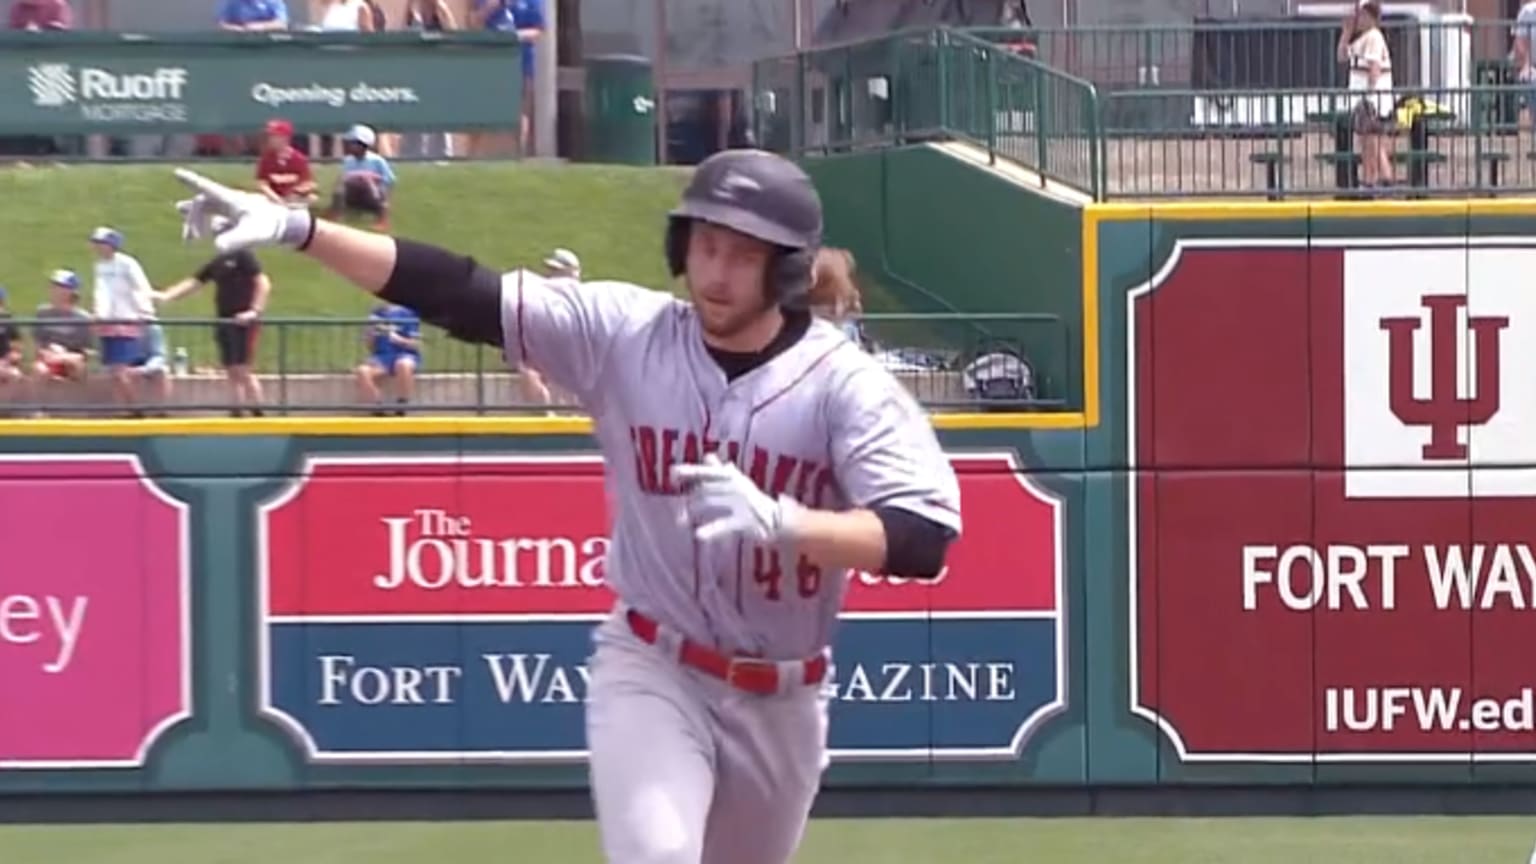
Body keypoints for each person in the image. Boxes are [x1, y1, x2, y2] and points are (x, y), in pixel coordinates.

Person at [172, 146, 962, 864]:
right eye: (706, 245)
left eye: (744, 255)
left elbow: (922, 536)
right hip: (656, 668)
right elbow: (460, 292)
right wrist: (299, 228)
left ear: (785, 270)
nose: (716, 271)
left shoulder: (846, 386)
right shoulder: (626, 332)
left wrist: (792, 525)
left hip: (784, 699)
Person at [156, 219, 271, 417]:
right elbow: (195, 281)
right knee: (231, 369)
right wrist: (167, 296)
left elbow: (263, 282)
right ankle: (236, 411)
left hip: (243, 320)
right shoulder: (218, 261)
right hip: (224, 320)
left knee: (243, 369)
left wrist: (254, 311)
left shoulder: (243, 256)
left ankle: (259, 412)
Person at [88, 226, 156, 411]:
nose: (97, 247)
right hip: (107, 322)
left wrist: (145, 311)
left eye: (101, 244)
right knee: (113, 370)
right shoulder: (100, 267)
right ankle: (123, 408)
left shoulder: (127, 264)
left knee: (120, 370)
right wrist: (98, 315)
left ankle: (135, 408)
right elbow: (100, 293)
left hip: (126, 320)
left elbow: (141, 287)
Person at [1338, 0, 1394, 188]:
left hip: (1371, 100)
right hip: (1362, 100)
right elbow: (1342, 56)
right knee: (1367, 140)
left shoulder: (1374, 37)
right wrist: (1345, 34)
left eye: (1362, 15)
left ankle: (1381, 178)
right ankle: (1374, 178)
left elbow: (1374, 70)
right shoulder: (1361, 39)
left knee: (1372, 141)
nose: (1358, 19)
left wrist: (1368, 96)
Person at [29, 269, 92, 413]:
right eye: (54, 286)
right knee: (39, 369)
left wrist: (65, 356)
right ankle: (39, 410)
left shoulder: (82, 318)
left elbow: (87, 351)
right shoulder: (43, 313)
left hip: (73, 359)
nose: (55, 290)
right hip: (50, 357)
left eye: (60, 287)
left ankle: (82, 409)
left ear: (71, 291)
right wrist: (48, 353)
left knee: (76, 365)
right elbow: (38, 344)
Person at [356, 302, 420, 415]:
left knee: (402, 365)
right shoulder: (378, 314)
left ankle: (401, 407)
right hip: (383, 357)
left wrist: (399, 340)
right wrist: (370, 333)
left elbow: (415, 344)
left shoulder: (408, 312)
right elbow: (370, 347)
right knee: (362, 371)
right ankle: (377, 410)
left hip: (404, 354)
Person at [328, 124, 396, 229]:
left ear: (363, 145)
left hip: (372, 195)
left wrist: (372, 178)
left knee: (370, 184)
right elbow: (344, 177)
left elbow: (389, 180)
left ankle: (382, 220)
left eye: (353, 144)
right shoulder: (348, 160)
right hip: (352, 194)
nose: (350, 146)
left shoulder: (377, 160)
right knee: (341, 186)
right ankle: (335, 214)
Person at [255, 118, 316, 206]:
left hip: (294, 200)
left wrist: (297, 193)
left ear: (284, 138)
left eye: (273, 136)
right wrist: (277, 199)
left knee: (312, 198)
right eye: (270, 136)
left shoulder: (298, 158)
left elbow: (308, 183)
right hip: (272, 200)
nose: (270, 139)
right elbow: (262, 184)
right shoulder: (266, 158)